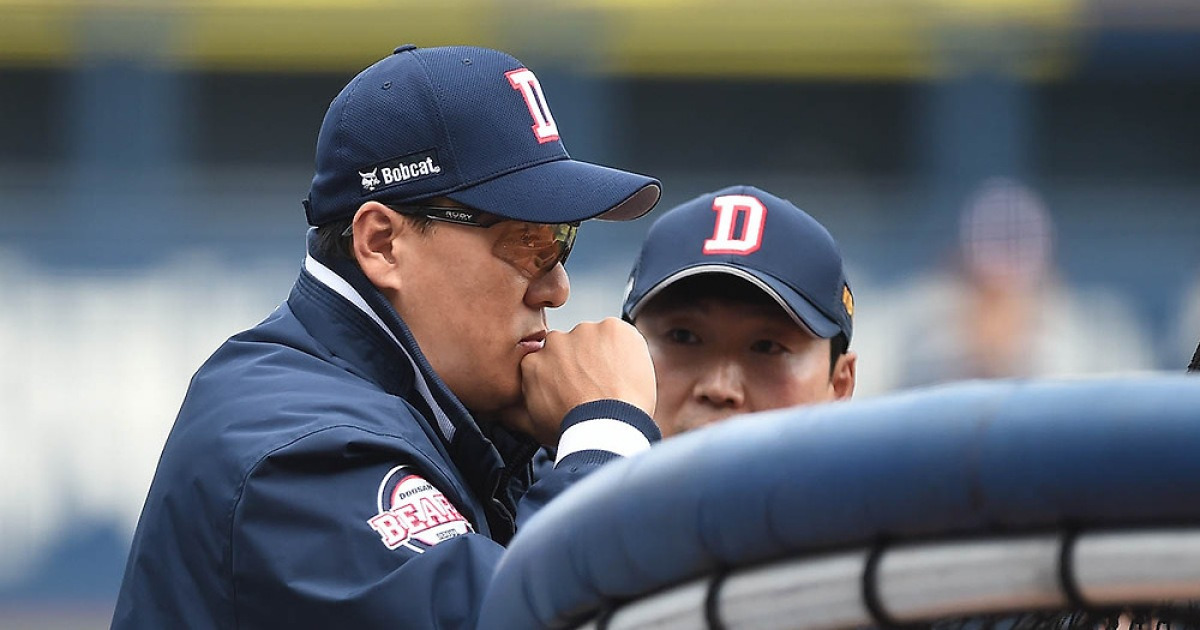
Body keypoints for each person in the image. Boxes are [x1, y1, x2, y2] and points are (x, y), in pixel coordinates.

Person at [111, 45, 663, 629]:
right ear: (382, 244)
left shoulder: (431, 406)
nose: (557, 289)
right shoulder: (301, 448)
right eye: (529, 244)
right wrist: (605, 435)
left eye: (561, 239)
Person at [621, 185, 857, 437]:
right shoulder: (578, 466)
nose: (719, 389)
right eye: (683, 336)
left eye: (767, 347)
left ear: (840, 385)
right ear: (618, 359)